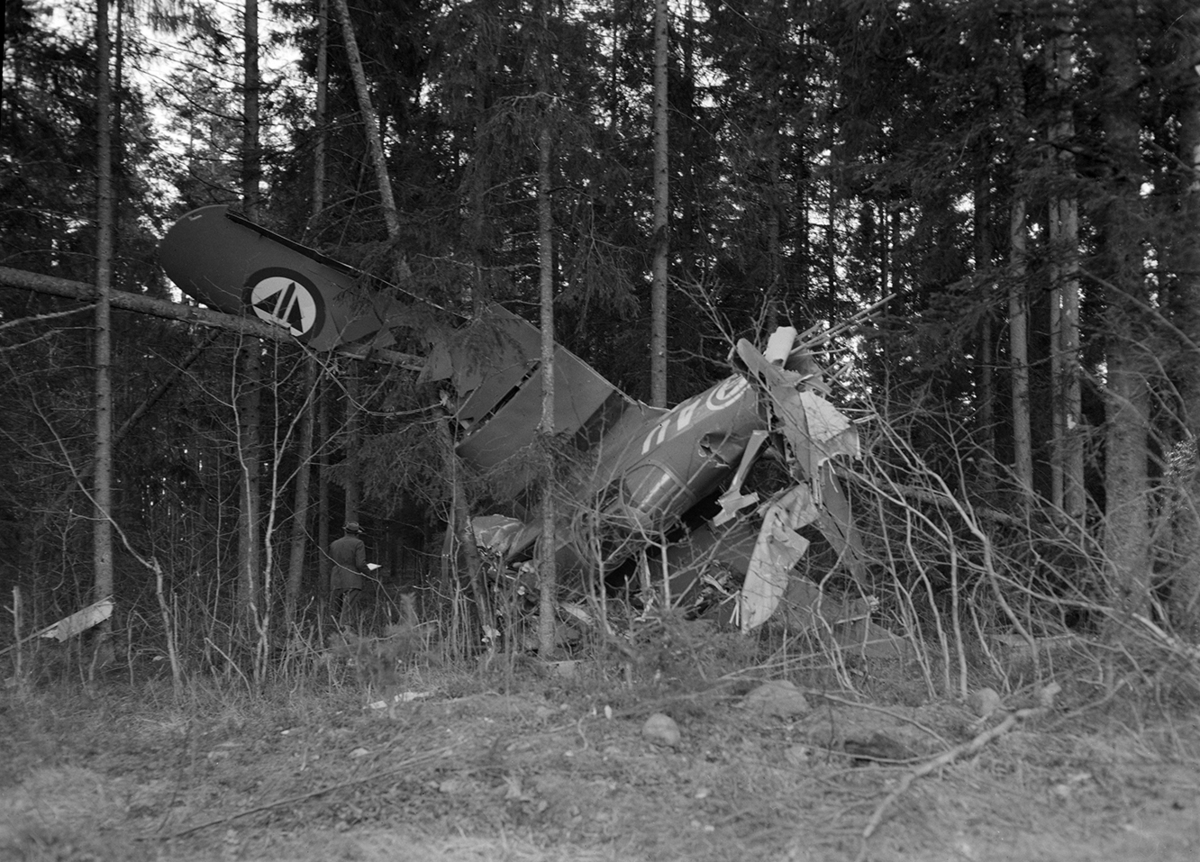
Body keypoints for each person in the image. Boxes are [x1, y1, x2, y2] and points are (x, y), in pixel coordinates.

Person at [329, 522, 371, 628]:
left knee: (335, 610)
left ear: (345, 531)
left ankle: (334, 632)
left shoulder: (334, 544)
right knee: (348, 610)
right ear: (357, 533)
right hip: (352, 579)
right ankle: (346, 633)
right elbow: (360, 564)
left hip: (336, 579)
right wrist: (369, 574)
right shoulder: (358, 543)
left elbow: (331, 561)